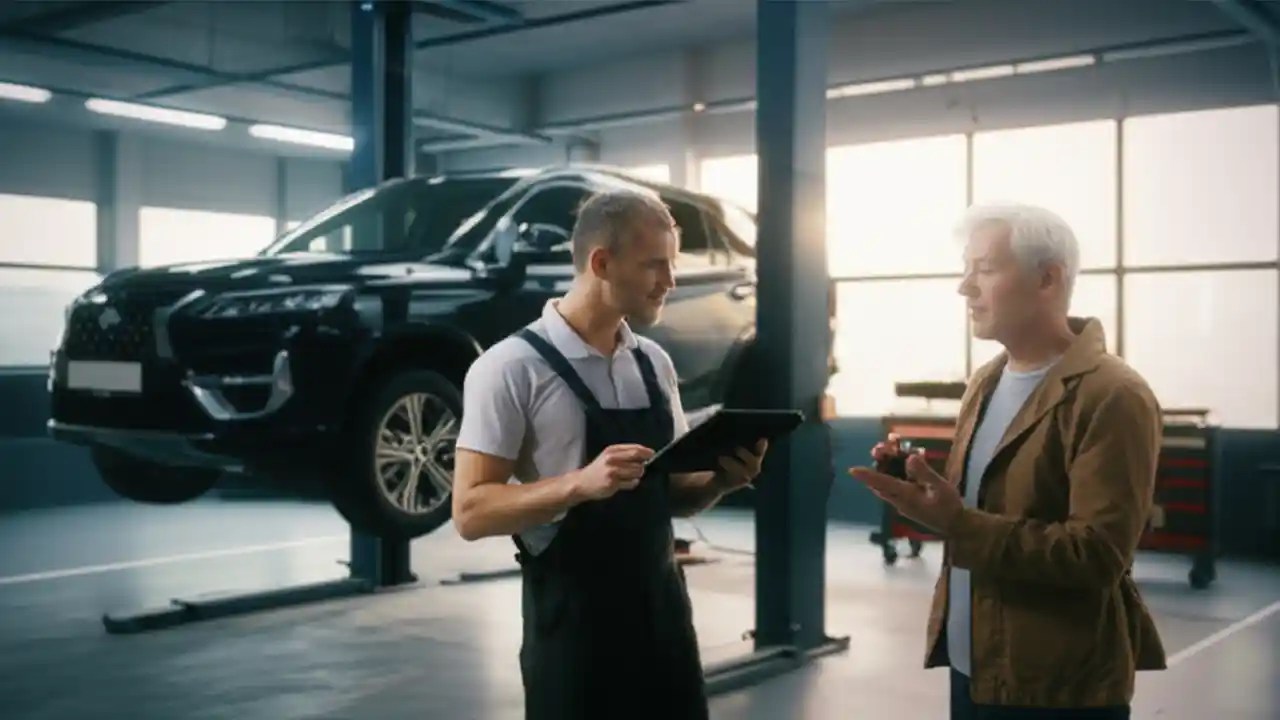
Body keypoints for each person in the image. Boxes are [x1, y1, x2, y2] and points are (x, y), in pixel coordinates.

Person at [451, 189, 769, 720]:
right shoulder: (509, 368)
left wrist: (719, 481)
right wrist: (580, 484)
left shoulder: (654, 363)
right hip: (573, 635)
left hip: (664, 623)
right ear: (601, 263)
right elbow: (470, 511)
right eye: (655, 265)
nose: (670, 281)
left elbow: (671, 495)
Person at [849, 202, 1167, 719]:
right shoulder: (987, 381)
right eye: (966, 269)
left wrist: (957, 523)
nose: (965, 287)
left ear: (1047, 279)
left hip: (1055, 689)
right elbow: (984, 507)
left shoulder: (1113, 394)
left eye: (985, 269)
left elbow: (1096, 555)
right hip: (973, 664)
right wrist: (919, 488)